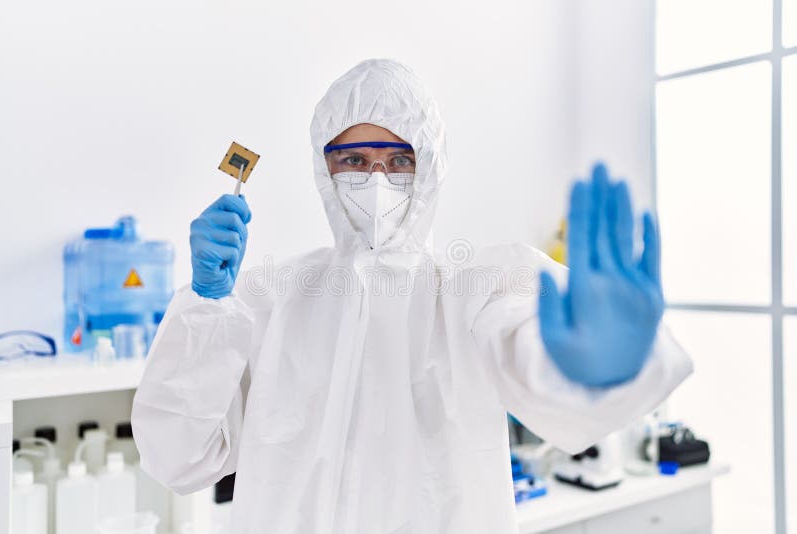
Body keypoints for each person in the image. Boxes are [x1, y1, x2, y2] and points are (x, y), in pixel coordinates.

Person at [131, 58, 692, 534]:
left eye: (400, 160)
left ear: (430, 170)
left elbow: (530, 343)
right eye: (352, 161)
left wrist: (596, 363)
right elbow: (178, 456)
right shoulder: (270, 300)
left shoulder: (471, 291)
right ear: (323, 170)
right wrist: (205, 307)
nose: (376, 179)